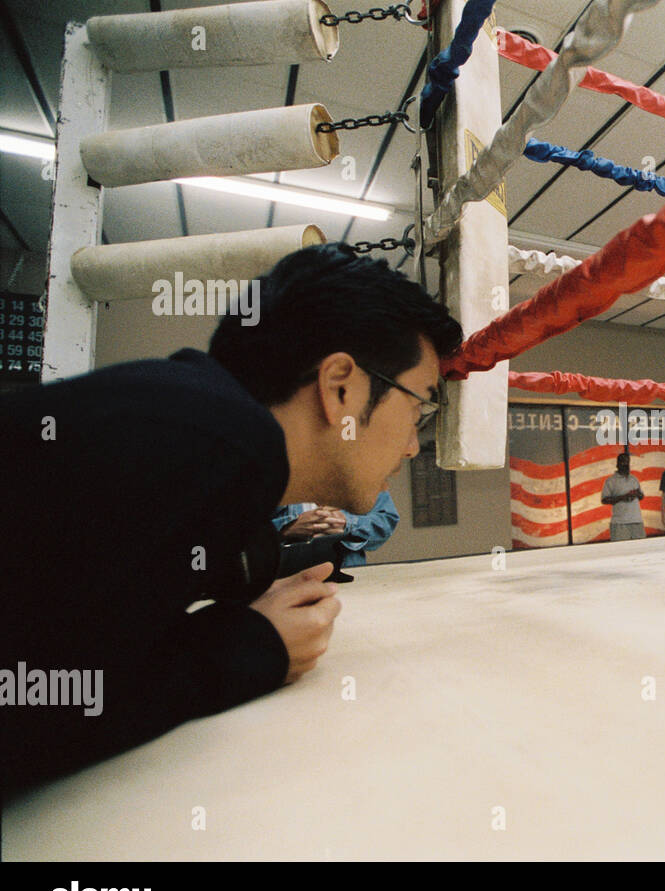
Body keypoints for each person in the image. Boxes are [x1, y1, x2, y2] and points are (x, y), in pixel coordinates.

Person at [0, 243, 462, 794]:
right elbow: (30, 714)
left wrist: (250, 562)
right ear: (342, 387)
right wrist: (253, 647)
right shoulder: (219, 443)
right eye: (419, 405)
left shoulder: (191, 415)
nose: (414, 445)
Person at [274, 489, 402, 580]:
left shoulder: (362, 467)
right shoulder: (267, 466)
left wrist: (348, 523)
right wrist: (286, 529)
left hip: (349, 579)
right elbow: (254, 530)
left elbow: (386, 519)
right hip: (283, 582)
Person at [601, 452, 646, 541]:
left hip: (637, 521)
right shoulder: (611, 481)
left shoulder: (634, 479)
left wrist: (637, 494)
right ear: (617, 464)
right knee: (621, 550)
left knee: (640, 550)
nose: (625, 464)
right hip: (620, 523)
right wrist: (623, 497)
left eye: (627, 462)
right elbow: (604, 500)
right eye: (623, 462)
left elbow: (641, 496)